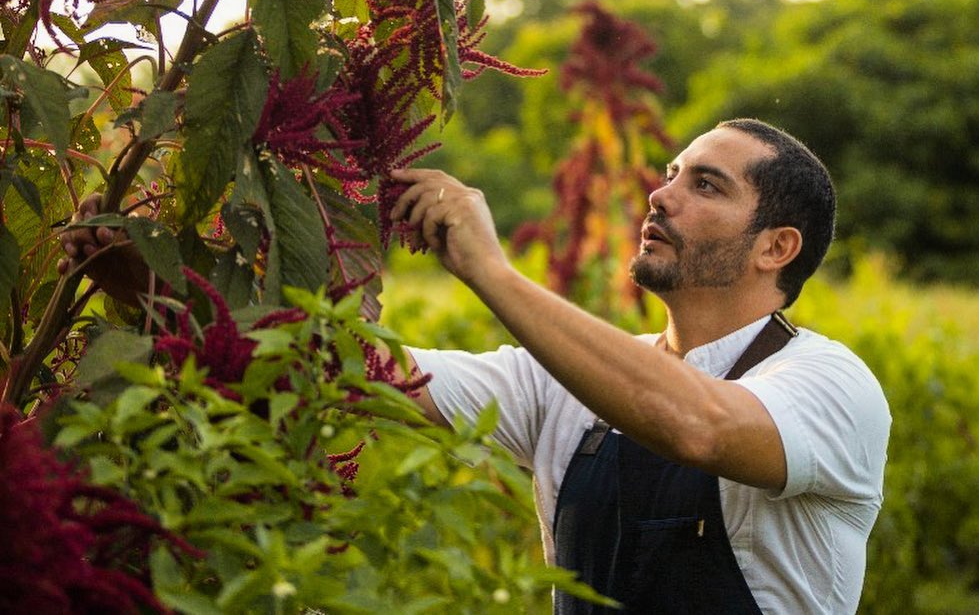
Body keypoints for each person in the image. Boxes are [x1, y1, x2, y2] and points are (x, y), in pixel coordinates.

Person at [62, 117, 890, 614]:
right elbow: (346, 369)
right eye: (670, 174)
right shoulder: (564, 380)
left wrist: (492, 272)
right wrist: (161, 294)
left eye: (706, 185)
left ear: (776, 247)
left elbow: (699, 426)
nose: (661, 194)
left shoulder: (829, 384)